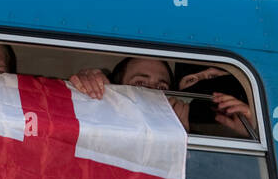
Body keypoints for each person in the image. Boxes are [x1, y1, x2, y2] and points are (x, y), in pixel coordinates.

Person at [70, 57, 255, 137]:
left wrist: (253, 129)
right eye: (140, 84)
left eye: (162, 87)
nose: (151, 92)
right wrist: (88, 90)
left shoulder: (215, 127)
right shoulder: (107, 125)